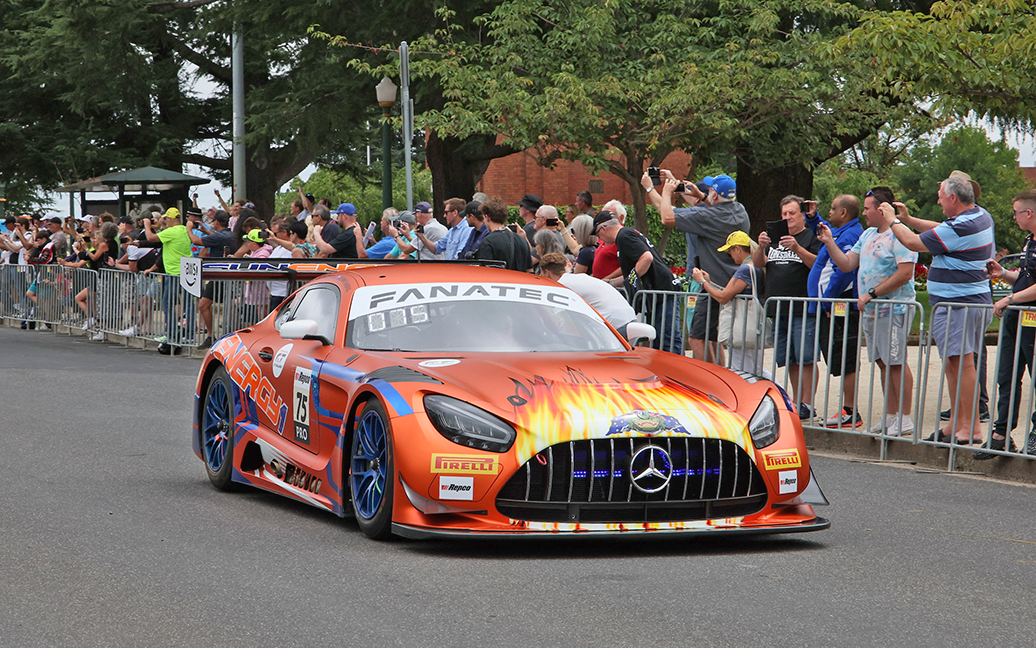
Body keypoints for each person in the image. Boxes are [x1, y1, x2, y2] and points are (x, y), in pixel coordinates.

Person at [881, 173, 995, 444]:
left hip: (960, 305)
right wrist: (908, 220)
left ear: (954, 198)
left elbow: (913, 243)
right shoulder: (978, 217)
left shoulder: (960, 227)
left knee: (963, 364)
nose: (938, 200)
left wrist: (893, 222)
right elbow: (937, 230)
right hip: (965, 302)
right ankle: (960, 422)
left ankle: (971, 428)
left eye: (941, 196)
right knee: (955, 364)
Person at [818, 187, 917, 436]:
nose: (863, 213)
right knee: (884, 362)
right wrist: (830, 242)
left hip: (894, 308)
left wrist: (872, 293)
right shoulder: (868, 234)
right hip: (872, 311)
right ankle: (891, 414)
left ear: (882, 209)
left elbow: (905, 273)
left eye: (867, 208)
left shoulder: (901, 235)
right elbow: (848, 263)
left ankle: (905, 417)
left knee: (896, 361)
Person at [651, 171, 750, 364]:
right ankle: (721, 378)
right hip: (732, 282)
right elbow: (713, 209)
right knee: (714, 339)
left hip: (710, 285)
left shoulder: (708, 216)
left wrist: (663, 191)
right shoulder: (740, 210)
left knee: (696, 337)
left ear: (714, 195)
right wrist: (701, 196)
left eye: (711, 189)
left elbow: (666, 217)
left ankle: (711, 381)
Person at [975, 189, 1036, 459]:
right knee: (1007, 376)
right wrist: (1005, 274)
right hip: (1016, 317)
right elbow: (1027, 279)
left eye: (1016, 213)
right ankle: (1001, 435)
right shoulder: (1028, 241)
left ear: (1029, 213)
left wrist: (1008, 299)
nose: (1014, 218)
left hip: (1031, 317)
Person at [753, 196, 821, 420]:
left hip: (802, 307)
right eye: (784, 214)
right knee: (790, 358)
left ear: (802, 215)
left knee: (806, 357)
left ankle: (808, 403)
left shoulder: (810, 235)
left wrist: (798, 248)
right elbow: (758, 263)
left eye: (792, 213)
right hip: (778, 308)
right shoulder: (776, 237)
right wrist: (761, 246)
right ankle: (797, 401)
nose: (787, 218)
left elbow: (818, 265)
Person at [807, 194, 864, 428]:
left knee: (846, 357)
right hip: (830, 304)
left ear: (843, 213)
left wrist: (828, 301)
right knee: (839, 357)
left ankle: (850, 411)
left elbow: (844, 272)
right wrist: (813, 219)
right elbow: (827, 235)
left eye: (832, 209)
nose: (828, 212)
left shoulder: (851, 234)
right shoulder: (842, 231)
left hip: (839, 304)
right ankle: (847, 408)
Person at [593, 210, 682, 353]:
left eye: (598, 234)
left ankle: (678, 373)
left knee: (667, 338)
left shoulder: (624, 236)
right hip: (660, 292)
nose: (600, 239)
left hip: (663, 290)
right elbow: (634, 270)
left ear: (603, 228)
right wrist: (611, 283)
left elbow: (646, 258)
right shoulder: (626, 235)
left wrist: (631, 279)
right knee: (660, 337)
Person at [692, 231, 771, 379]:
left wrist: (702, 282)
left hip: (742, 327)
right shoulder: (755, 266)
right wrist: (709, 282)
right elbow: (730, 291)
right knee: (756, 370)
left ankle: (778, 395)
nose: (730, 256)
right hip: (752, 325)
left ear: (737, 249)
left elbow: (723, 297)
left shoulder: (745, 269)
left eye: (730, 252)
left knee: (743, 371)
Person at [539, 252, 637, 338]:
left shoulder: (561, 285)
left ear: (547, 273)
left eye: (541, 273)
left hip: (614, 324)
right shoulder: (578, 278)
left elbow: (565, 325)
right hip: (628, 317)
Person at [143, 207, 196, 354]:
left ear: (171, 219)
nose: (164, 221)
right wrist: (159, 224)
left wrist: (147, 225)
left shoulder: (172, 232)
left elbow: (151, 238)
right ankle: (190, 335)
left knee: (168, 304)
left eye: (166, 218)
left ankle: (172, 334)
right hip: (186, 272)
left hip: (174, 273)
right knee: (188, 304)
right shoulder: (183, 229)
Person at [476, 201, 532, 271]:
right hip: (521, 281)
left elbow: (484, 272)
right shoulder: (521, 239)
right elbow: (530, 271)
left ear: (487, 217)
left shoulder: (488, 242)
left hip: (500, 281)